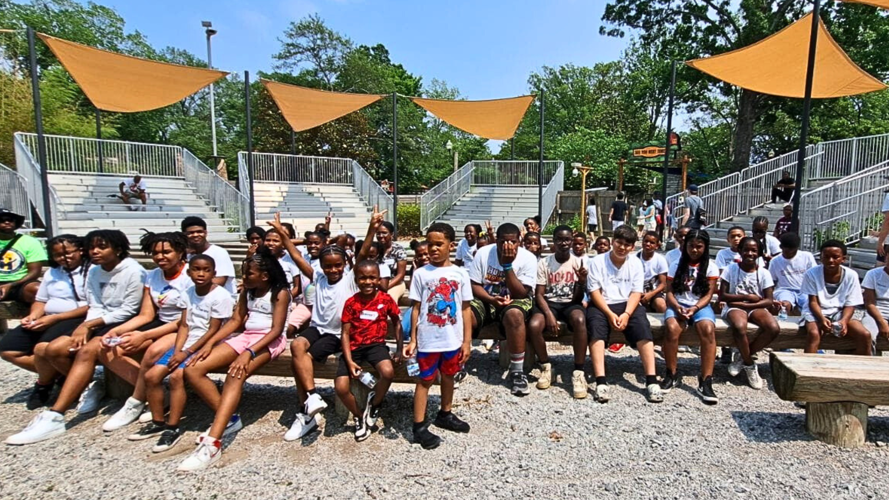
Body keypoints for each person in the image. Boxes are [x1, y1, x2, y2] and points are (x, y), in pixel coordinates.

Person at [6, 230, 145, 445]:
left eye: (102, 247)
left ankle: (57, 414)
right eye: (92, 247)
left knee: (87, 351)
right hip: (98, 319)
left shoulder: (133, 271)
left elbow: (129, 309)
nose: (95, 252)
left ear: (117, 249)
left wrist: (89, 325)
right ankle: (87, 387)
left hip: (121, 321)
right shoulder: (95, 271)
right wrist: (85, 327)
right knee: (53, 349)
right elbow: (96, 304)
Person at [177, 248, 290, 471]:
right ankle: (229, 418)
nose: (244, 278)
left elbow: (276, 330)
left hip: (268, 340)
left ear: (264, 276)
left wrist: (249, 352)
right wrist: (210, 343)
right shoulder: (247, 291)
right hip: (246, 336)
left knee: (235, 374)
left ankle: (212, 444)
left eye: (248, 274)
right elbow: (236, 321)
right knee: (193, 369)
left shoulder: (280, 292)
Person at [284, 209, 378, 441]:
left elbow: (364, 251)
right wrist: (282, 235)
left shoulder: (349, 278)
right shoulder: (319, 278)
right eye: (328, 266)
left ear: (345, 264)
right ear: (322, 266)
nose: (333, 269)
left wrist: (372, 228)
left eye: (337, 265)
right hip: (318, 327)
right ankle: (313, 397)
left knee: (300, 361)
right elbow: (296, 256)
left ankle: (306, 408)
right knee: (297, 346)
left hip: (337, 334)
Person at [96, 232, 193, 433]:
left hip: (186, 325)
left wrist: (145, 335)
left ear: (180, 252)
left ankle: (136, 401)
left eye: (166, 252)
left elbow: (185, 319)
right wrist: (117, 331)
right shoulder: (153, 275)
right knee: (107, 348)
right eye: (156, 253)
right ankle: (156, 393)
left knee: (152, 351)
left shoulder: (190, 276)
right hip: (161, 322)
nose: (160, 257)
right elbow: (146, 315)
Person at [139, 254, 234, 452]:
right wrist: (178, 349)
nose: (201, 274)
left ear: (214, 273)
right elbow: (184, 325)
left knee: (176, 377)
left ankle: (172, 428)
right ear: (189, 272)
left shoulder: (220, 295)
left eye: (206, 270)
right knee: (151, 375)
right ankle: (158, 422)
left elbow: (213, 330)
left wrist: (188, 351)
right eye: (197, 269)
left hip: (209, 344)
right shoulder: (188, 292)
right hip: (187, 344)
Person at [0, 235, 88, 409]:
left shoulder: (91, 271)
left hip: (76, 317)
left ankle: (44, 384)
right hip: (48, 316)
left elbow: (93, 304)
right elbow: (41, 300)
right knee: (8, 350)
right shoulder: (53, 273)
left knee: (42, 350)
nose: (65, 258)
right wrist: (33, 316)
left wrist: (55, 318)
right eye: (58, 255)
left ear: (80, 251)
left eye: (69, 253)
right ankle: (59, 375)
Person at [405, 222, 472, 449]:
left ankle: (445, 413)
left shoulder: (460, 273)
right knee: (425, 380)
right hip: (428, 338)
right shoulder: (421, 274)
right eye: (430, 244)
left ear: (451, 245)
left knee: (449, 375)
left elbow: (465, 309)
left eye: (439, 244)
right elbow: (415, 308)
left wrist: (467, 341)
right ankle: (419, 426)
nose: (433, 249)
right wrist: (413, 338)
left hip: (452, 337)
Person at [586, 225, 662, 403]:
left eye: (627, 245)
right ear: (613, 242)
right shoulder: (597, 261)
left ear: (633, 247)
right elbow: (594, 291)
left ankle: (651, 380)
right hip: (602, 303)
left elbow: (636, 292)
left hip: (628, 304)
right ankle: (601, 382)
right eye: (619, 242)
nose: (622, 247)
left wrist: (627, 314)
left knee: (643, 328)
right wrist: (610, 314)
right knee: (596, 329)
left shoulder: (635, 263)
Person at [336, 260, 402, 442]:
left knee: (388, 372)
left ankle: (374, 404)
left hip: (376, 345)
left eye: (372, 277)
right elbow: (345, 333)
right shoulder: (351, 302)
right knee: (341, 387)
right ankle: (358, 416)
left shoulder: (385, 299)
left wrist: (399, 349)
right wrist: (349, 361)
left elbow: (397, 322)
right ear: (356, 280)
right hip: (354, 348)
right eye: (362, 278)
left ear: (379, 279)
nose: (367, 282)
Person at [469, 222, 537, 396]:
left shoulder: (528, 258)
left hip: (516, 300)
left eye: (513, 242)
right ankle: (456, 364)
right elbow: (474, 284)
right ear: (496, 241)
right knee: (465, 314)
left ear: (519, 241)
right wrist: (491, 299)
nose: (508, 246)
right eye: (503, 242)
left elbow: (521, 293)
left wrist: (507, 266)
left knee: (514, 315)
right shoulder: (484, 253)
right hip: (487, 297)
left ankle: (517, 371)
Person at [527, 226, 588, 397]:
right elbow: (539, 295)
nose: (564, 243)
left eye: (567, 239)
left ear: (572, 241)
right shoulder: (544, 263)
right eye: (560, 239)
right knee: (534, 325)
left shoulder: (578, 262)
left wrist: (582, 282)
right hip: (549, 303)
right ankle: (546, 366)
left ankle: (579, 371)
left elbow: (577, 299)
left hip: (569, 303)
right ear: (553, 241)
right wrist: (549, 315)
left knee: (580, 320)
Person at [661, 229, 720, 405]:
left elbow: (708, 296)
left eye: (699, 247)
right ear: (685, 245)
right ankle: (671, 373)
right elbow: (669, 293)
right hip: (678, 304)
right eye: (691, 246)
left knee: (707, 330)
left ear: (705, 247)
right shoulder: (675, 265)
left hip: (699, 305)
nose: (694, 250)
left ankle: (706, 379)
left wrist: (695, 308)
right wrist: (677, 306)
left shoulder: (711, 266)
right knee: (671, 328)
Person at [719, 237, 779, 390]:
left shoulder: (763, 273)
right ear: (740, 251)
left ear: (759, 253)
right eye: (746, 249)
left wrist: (752, 303)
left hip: (755, 306)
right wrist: (746, 298)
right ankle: (750, 365)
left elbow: (768, 300)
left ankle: (742, 357)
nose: (749, 253)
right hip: (736, 307)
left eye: (754, 250)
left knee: (773, 328)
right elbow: (723, 296)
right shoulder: (731, 269)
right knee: (740, 326)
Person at [800, 240, 871, 355]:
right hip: (816, 311)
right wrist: (822, 319)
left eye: (835, 257)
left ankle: (863, 369)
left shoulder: (851, 275)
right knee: (814, 334)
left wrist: (844, 321)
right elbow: (813, 302)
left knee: (865, 335)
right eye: (826, 257)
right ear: (821, 258)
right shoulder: (811, 273)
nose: (830, 261)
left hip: (840, 311)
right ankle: (808, 368)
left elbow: (850, 304)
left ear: (843, 259)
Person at [0, 208, 46, 305]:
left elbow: (35, 272)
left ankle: (36, 318)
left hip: (20, 283)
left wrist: (11, 285)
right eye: (2, 220)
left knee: (38, 290)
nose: (7, 222)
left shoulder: (30, 242)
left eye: (10, 220)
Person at [181, 217, 236, 296]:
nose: (196, 235)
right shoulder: (186, 255)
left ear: (206, 233)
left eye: (199, 232)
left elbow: (220, 281)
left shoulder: (219, 253)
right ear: (184, 235)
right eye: (191, 233)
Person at [769, 232, 817, 315]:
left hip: (804, 290)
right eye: (786, 249)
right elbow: (771, 282)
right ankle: (784, 324)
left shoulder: (807, 257)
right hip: (784, 290)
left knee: (809, 305)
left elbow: (814, 276)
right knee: (784, 305)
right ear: (781, 247)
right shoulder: (775, 261)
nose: (789, 252)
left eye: (792, 249)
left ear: (797, 248)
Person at [377, 221, 407, 304]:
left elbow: (400, 274)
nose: (381, 236)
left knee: (389, 299)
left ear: (391, 234)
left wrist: (385, 287)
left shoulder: (399, 250)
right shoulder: (374, 249)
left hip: (395, 284)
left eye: (384, 233)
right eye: (378, 233)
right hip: (376, 284)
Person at [637, 231, 668, 314]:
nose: (648, 244)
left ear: (657, 246)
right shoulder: (634, 258)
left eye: (652, 242)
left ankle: (663, 326)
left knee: (661, 305)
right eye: (646, 241)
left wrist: (650, 294)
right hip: (636, 291)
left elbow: (663, 284)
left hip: (654, 291)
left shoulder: (660, 260)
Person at [862, 254, 889, 345]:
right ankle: (869, 359)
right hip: (875, 314)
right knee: (868, 334)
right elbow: (869, 303)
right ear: (886, 258)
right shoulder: (872, 274)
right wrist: (882, 322)